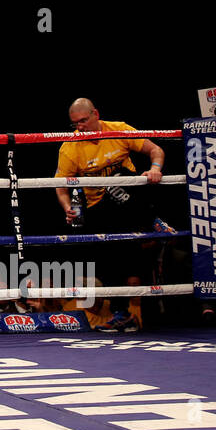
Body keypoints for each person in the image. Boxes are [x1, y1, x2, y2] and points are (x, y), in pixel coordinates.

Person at [53, 98, 169, 332]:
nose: (80, 127)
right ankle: (121, 313)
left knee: (118, 183)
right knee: (110, 259)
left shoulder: (118, 129)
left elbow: (156, 150)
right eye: (75, 123)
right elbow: (60, 186)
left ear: (96, 114)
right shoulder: (70, 147)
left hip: (133, 199)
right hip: (101, 211)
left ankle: (153, 220)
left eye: (84, 120)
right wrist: (67, 207)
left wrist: (155, 168)